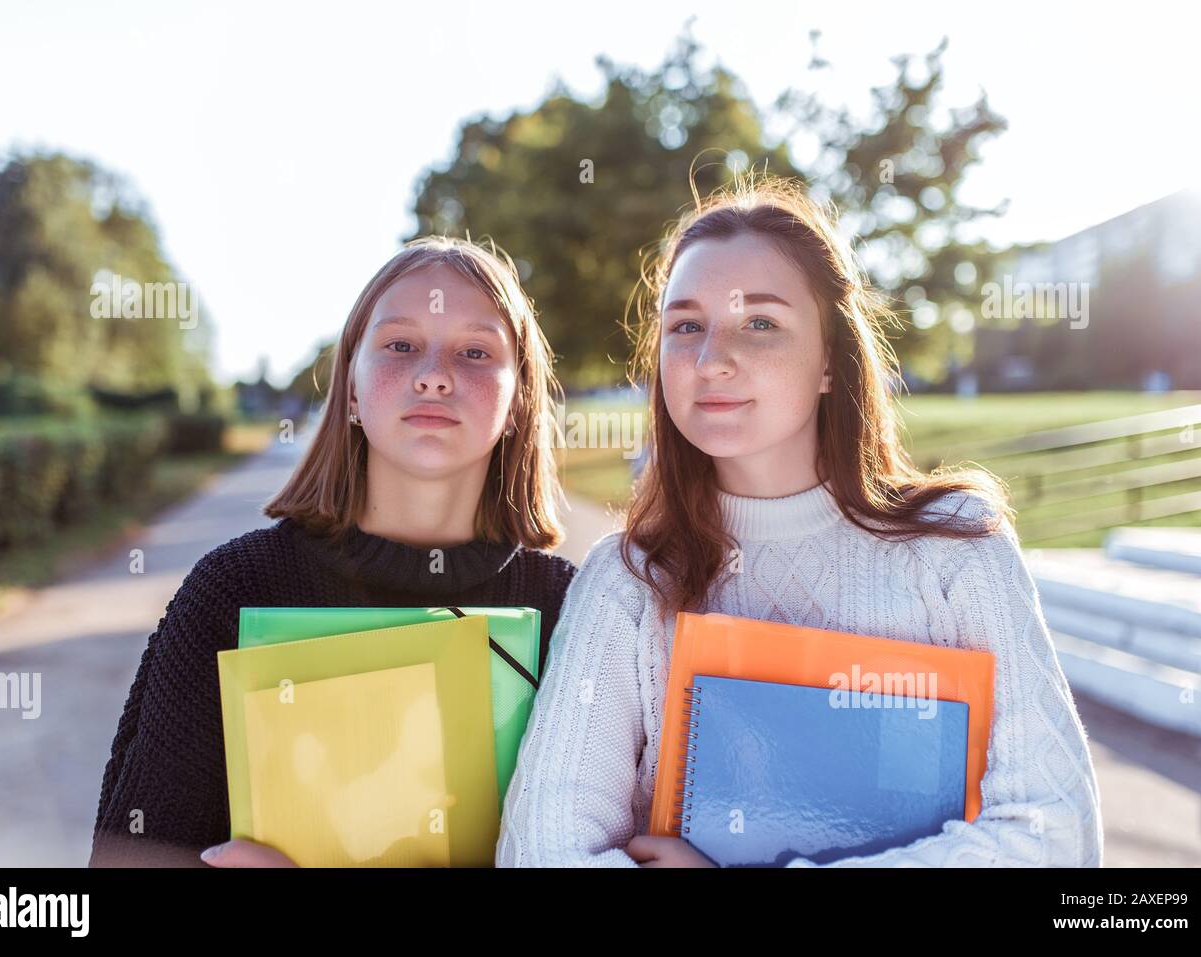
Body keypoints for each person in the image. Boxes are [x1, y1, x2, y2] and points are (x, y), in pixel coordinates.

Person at [495, 173, 1103, 868]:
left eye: (760, 322)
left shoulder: (957, 550)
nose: (711, 359)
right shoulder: (627, 580)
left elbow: (1055, 835)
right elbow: (541, 852)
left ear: (828, 362)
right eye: (686, 325)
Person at [90, 236, 576, 867]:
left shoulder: (575, 609)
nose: (434, 374)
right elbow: (127, 858)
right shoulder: (235, 589)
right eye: (400, 345)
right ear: (350, 389)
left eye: (476, 351)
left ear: (518, 403)